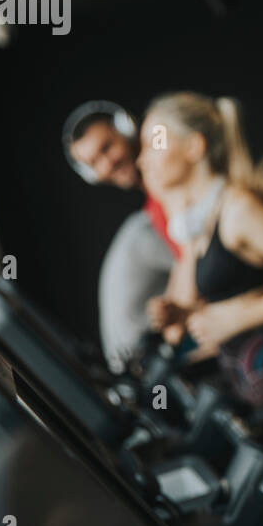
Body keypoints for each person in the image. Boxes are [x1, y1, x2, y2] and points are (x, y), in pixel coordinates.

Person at [137, 92, 263, 406]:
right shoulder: (200, 222)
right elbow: (203, 316)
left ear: (194, 147)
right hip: (244, 380)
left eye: (153, 143)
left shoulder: (238, 209)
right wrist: (180, 313)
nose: (142, 159)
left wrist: (240, 319)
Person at [63, 101, 179, 373]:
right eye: (93, 163)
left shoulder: (170, 183)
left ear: (127, 128)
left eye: (107, 147)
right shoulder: (153, 207)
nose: (107, 163)